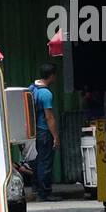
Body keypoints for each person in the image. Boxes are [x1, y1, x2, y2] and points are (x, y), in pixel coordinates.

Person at [28, 64, 59, 201]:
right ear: (52, 75)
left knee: (37, 161)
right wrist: (56, 137)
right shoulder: (46, 93)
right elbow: (49, 117)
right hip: (44, 131)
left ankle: (37, 188)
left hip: (34, 130)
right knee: (45, 162)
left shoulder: (32, 88)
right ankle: (45, 193)